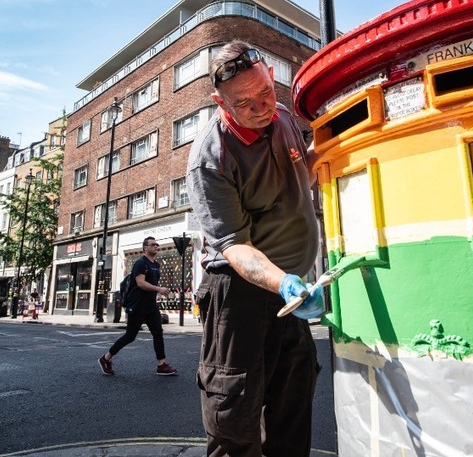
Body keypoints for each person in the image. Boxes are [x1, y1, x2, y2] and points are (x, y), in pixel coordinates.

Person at [187, 40, 325, 457]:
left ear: (270, 74)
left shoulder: (282, 117)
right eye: (244, 102)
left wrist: (333, 147)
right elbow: (235, 247)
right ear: (219, 101)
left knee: (293, 405)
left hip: (290, 289)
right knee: (235, 418)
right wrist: (285, 283)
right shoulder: (210, 157)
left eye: (266, 90)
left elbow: (305, 176)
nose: (262, 106)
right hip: (239, 292)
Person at [97, 236, 178, 377]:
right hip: (137, 305)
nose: (156, 247)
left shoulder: (156, 265)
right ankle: (106, 358)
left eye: (157, 244)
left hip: (150, 306)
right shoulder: (140, 263)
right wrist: (158, 289)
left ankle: (161, 364)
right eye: (153, 245)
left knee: (158, 332)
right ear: (145, 248)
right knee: (130, 336)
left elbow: (149, 285)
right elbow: (140, 283)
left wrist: (158, 292)